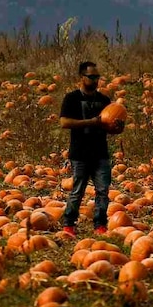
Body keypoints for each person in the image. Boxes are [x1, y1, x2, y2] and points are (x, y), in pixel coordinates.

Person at [58, 61, 121, 236]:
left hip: (100, 153)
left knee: (102, 191)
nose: (94, 80)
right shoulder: (72, 98)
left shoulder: (104, 100)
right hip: (80, 153)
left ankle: (100, 225)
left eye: (97, 77)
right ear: (81, 77)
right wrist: (91, 122)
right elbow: (64, 122)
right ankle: (69, 224)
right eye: (91, 77)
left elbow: (109, 127)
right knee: (78, 190)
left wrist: (117, 127)